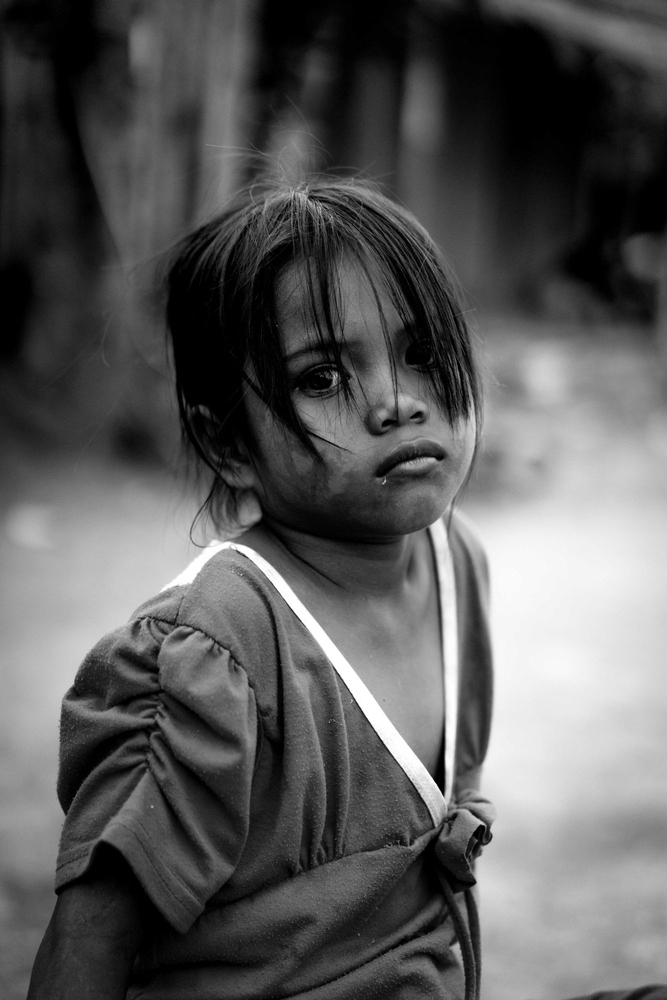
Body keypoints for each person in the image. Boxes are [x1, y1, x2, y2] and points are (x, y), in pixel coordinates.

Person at [27, 179, 495, 1000]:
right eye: (322, 378)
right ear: (228, 441)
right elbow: (92, 938)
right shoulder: (214, 651)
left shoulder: (455, 565)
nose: (395, 401)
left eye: (421, 353)